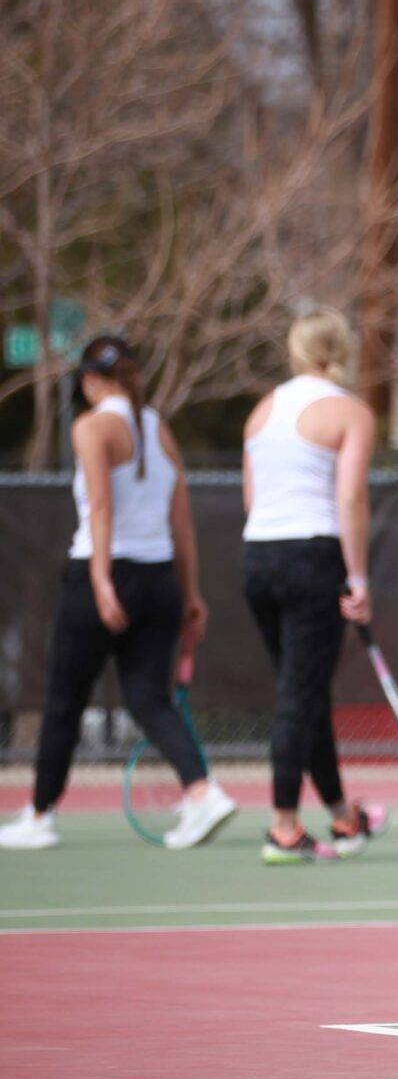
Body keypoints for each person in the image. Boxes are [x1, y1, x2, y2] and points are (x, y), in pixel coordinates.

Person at [1, 335, 237, 852]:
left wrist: (102, 583)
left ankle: (40, 816)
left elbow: (101, 509)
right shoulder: (160, 430)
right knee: (149, 699)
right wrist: (191, 594)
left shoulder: (91, 427)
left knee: (64, 700)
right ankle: (201, 790)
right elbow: (183, 525)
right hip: (158, 581)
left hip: (101, 574)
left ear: (89, 381)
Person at [240, 311, 388, 864]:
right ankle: (282, 826)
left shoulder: (261, 412)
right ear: (340, 351)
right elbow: (349, 499)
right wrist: (357, 578)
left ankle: (343, 817)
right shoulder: (350, 411)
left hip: (259, 557)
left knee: (304, 692)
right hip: (312, 556)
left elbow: (252, 499)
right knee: (299, 696)